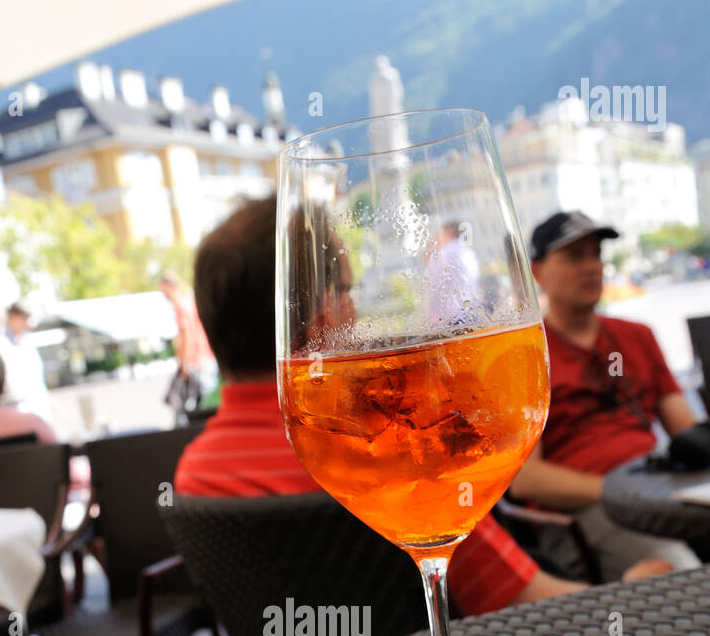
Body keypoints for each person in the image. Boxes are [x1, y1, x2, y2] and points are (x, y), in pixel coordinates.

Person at [175, 196, 671, 614]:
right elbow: (526, 599)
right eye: (348, 289)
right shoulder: (381, 460)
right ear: (316, 307)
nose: (354, 308)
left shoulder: (193, 478)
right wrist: (633, 594)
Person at [509, 210, 700, 580]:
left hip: (661, 493)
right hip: (583, 515)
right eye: (574, 256)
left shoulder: (638, 336)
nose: (592, 267)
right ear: (536, 272)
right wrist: (627, 493)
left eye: (596, 254)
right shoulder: (524, 355)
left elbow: (689, 433)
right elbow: (527, 480)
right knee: (683, 578)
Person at [160, 272, 216, 425]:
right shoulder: (191, 301)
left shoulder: (180, 305)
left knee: (187, 414)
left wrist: (184, 366)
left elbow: (187, 336)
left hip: (195, 364)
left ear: (170, 287)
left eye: (163, 290)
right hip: (206, 361)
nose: (163, 295)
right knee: (202, 410)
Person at [4, 301, 53, 421]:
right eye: (24, 319)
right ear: (13, 317)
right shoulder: (1, 343)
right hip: (16, 410)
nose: (27, 324)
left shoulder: (28, 341)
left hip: (38, 407)